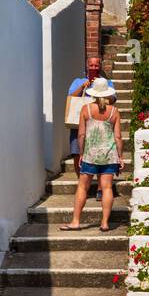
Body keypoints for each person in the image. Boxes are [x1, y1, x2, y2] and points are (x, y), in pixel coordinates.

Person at [61, 78, 122, 232]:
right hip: (108, 155)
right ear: (108, 94)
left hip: (90, 154)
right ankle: (104, 223)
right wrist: (120, 156)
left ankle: (75, 221)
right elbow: (118, 137)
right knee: (107, 188)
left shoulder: (85, 109)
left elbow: (81, 135)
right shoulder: (114, 112)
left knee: (82, 187)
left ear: (93, 93)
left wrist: (81, 152)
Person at [67, 56, 115, 177]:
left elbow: (113, 99)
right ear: (87, 67)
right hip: (79, 122)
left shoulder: (107, 82)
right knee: (77, 152)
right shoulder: (78, 81)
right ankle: (81, 182)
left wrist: (101, 88)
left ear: (100, 67)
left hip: (100, 121)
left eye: (96, 65)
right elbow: (71, 97)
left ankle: (100, 187)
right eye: (91, 65)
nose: (94, 67)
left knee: (101, 153)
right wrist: (83, 86)